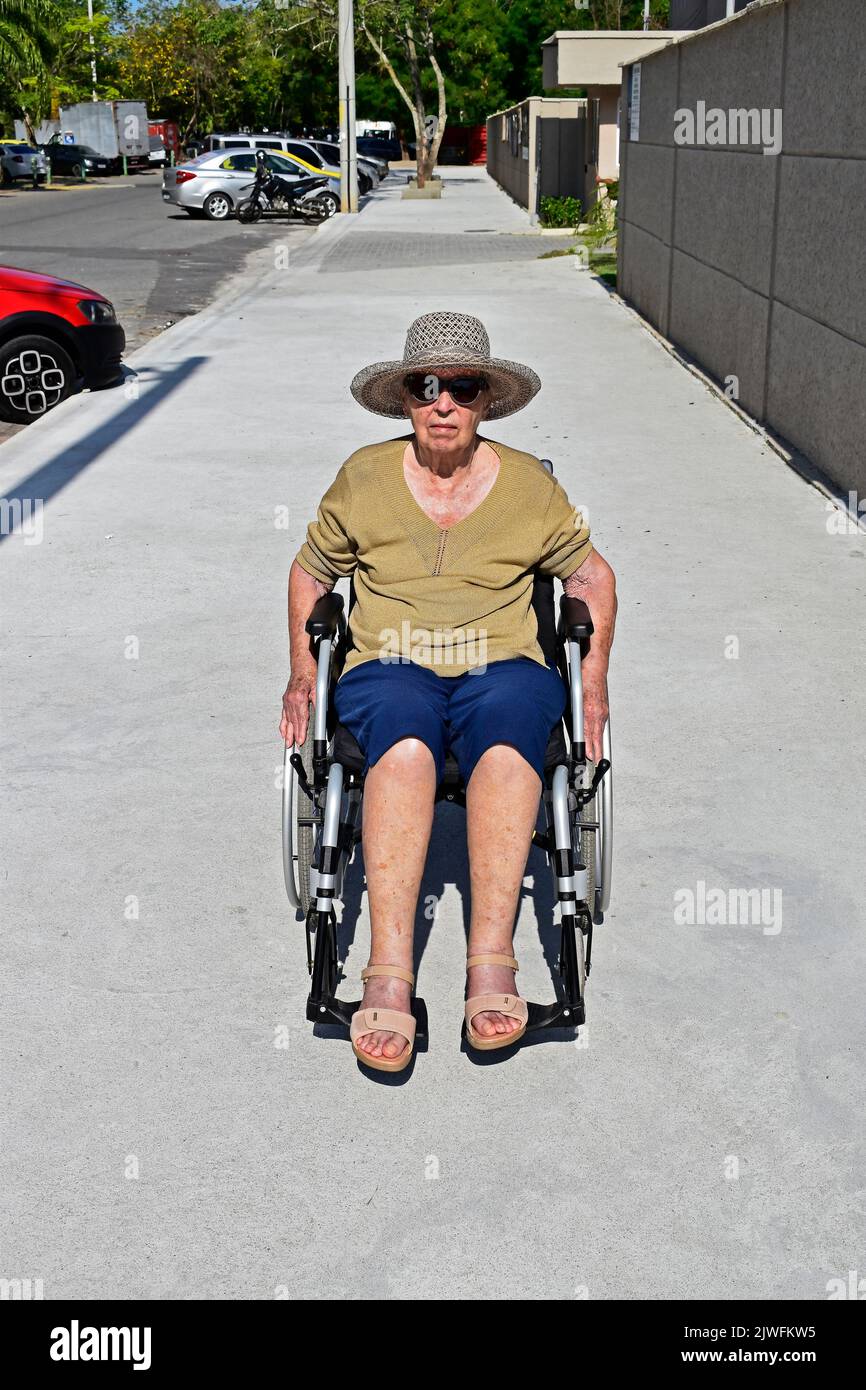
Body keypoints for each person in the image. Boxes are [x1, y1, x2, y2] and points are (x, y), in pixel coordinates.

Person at [281, 312, 617, 1071]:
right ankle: (389, 976)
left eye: (461, 388)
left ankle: (491, 967)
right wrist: (304, 673)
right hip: (390, 663)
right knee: (400, 744)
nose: (442, 404)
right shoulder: (363, 478)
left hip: (502, 662)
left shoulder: (529, 486)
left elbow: (593, 577)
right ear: (405, 397)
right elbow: (312, 570)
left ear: (484, 401)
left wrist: (591, 689)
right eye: (426, 387)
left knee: (509, 737)